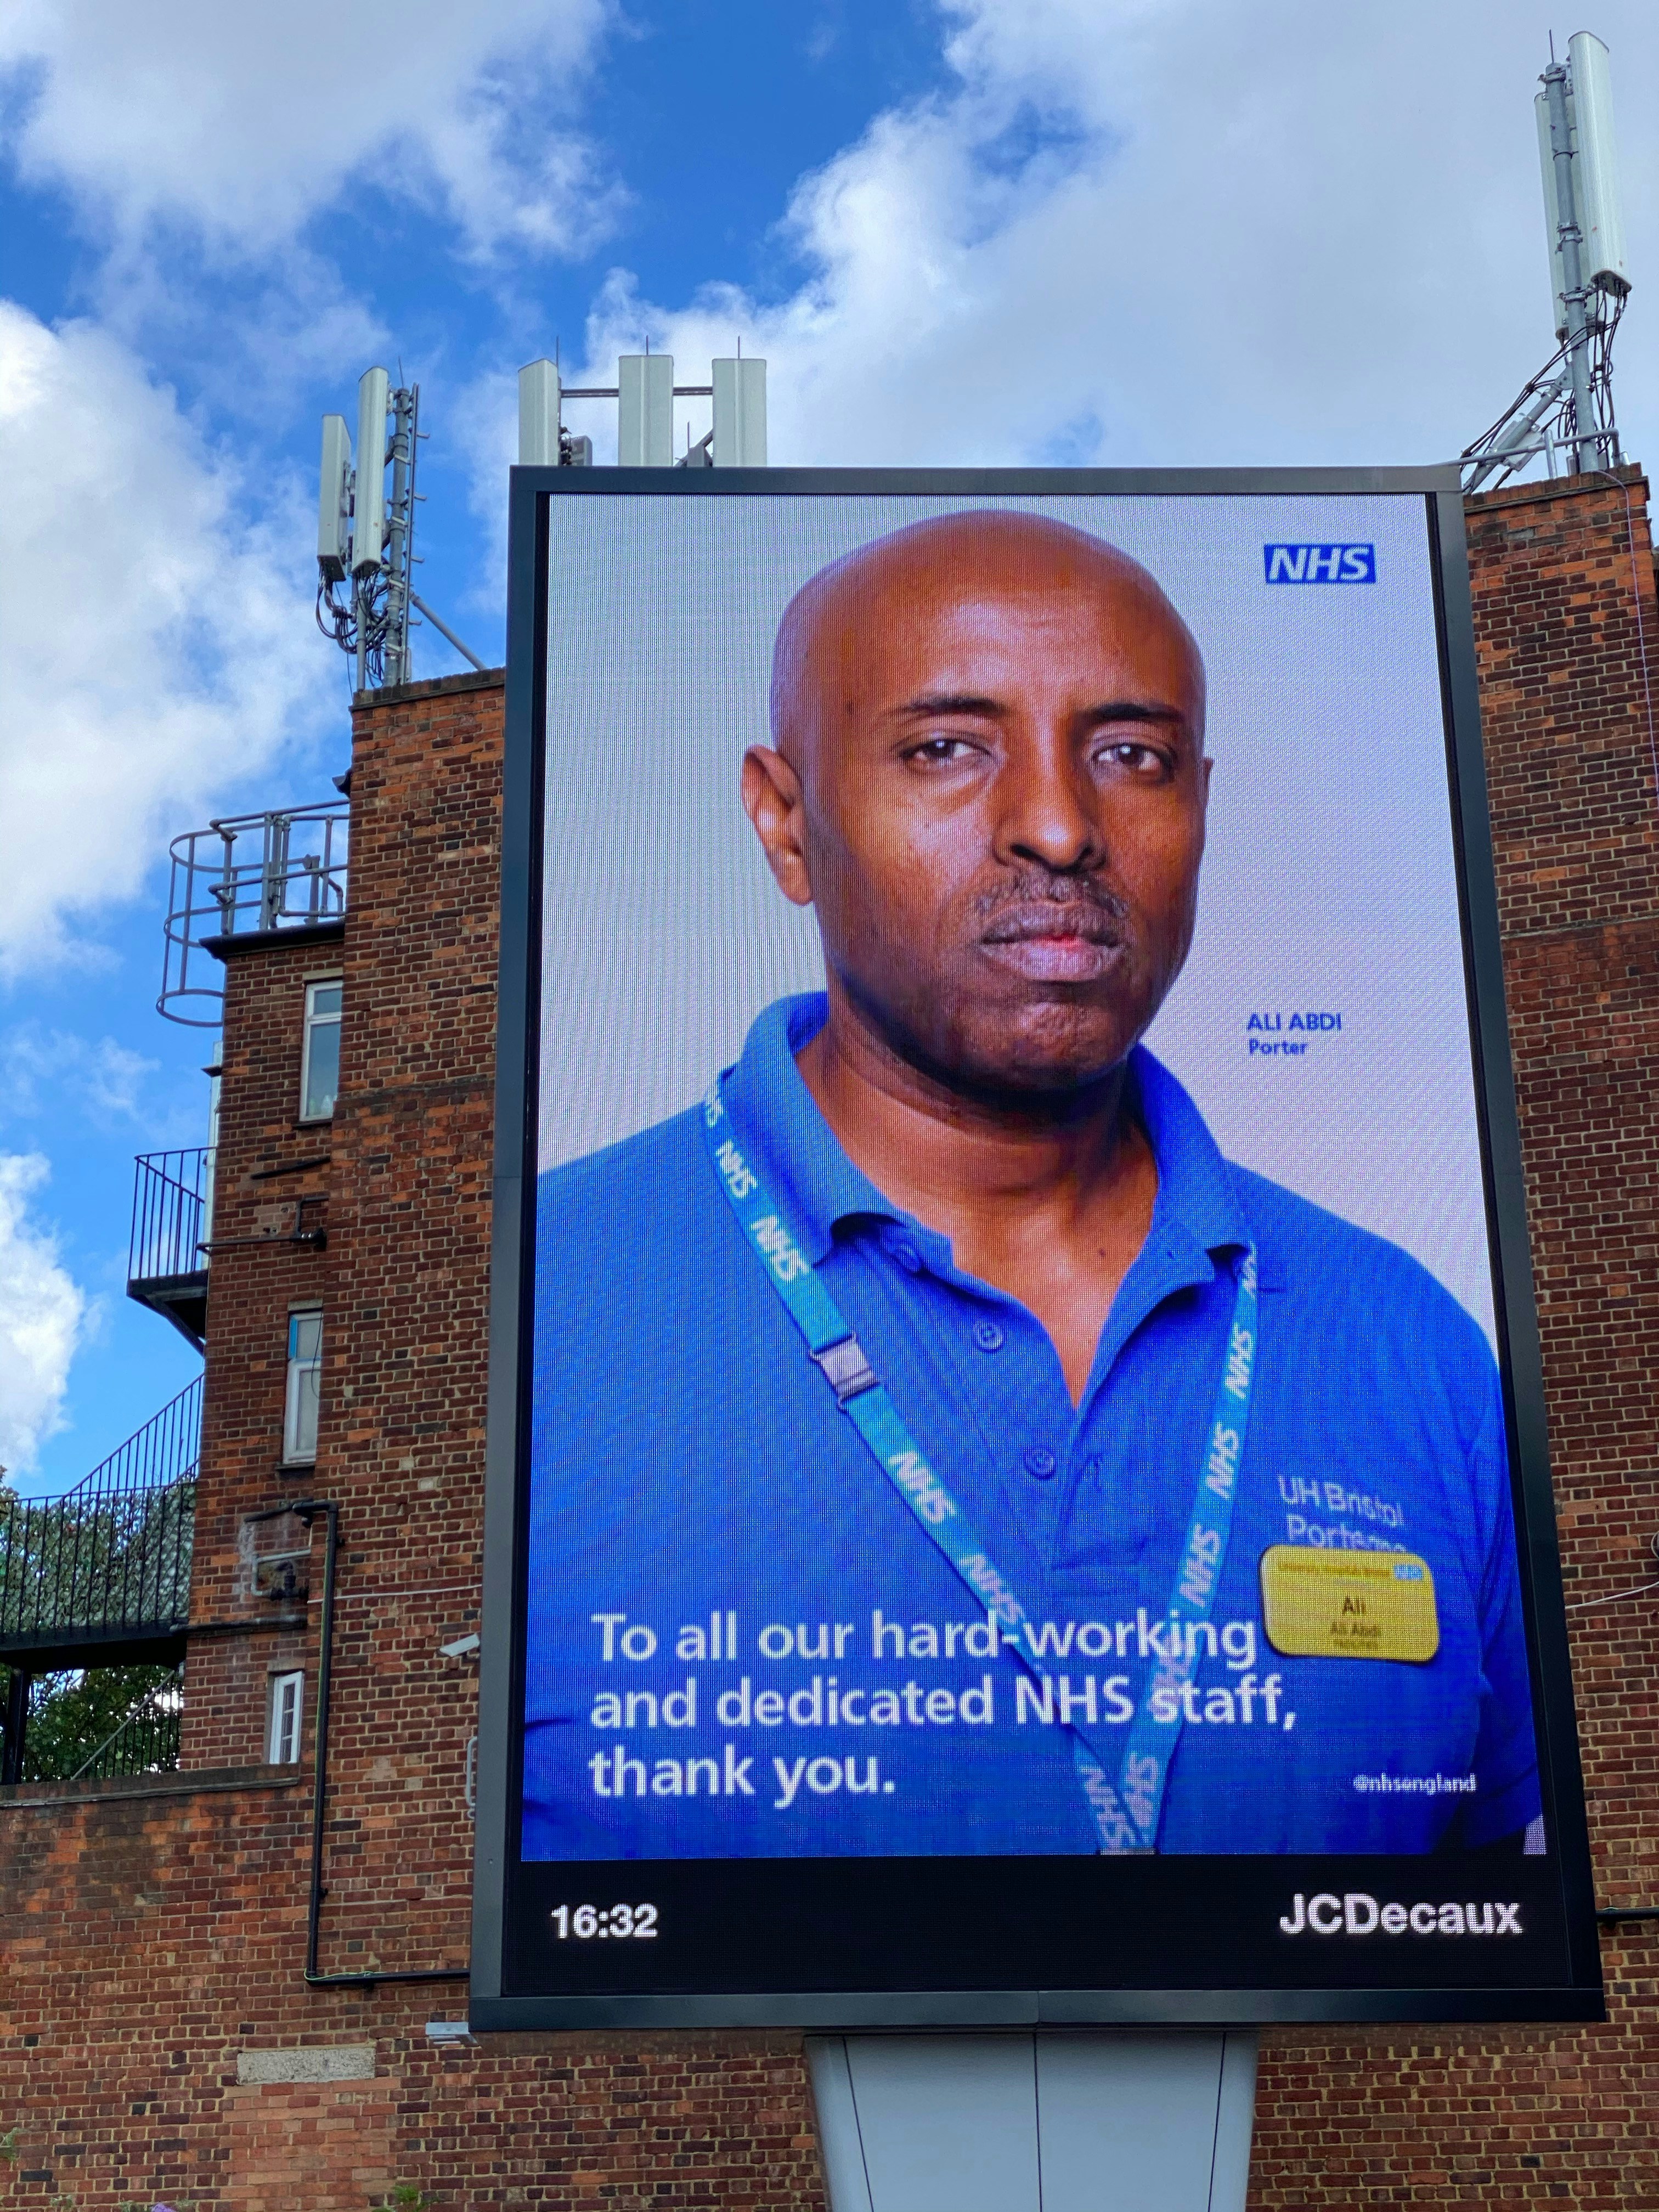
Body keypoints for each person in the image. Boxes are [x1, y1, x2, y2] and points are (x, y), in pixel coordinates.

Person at [522, 509, 1538, 1860]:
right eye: (947, 749)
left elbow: (1479, 1896)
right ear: (786, 823)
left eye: (1131, 756)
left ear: (1201, 810)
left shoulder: (1411, 1348)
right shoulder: (537, 1309)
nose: (1060, 827)